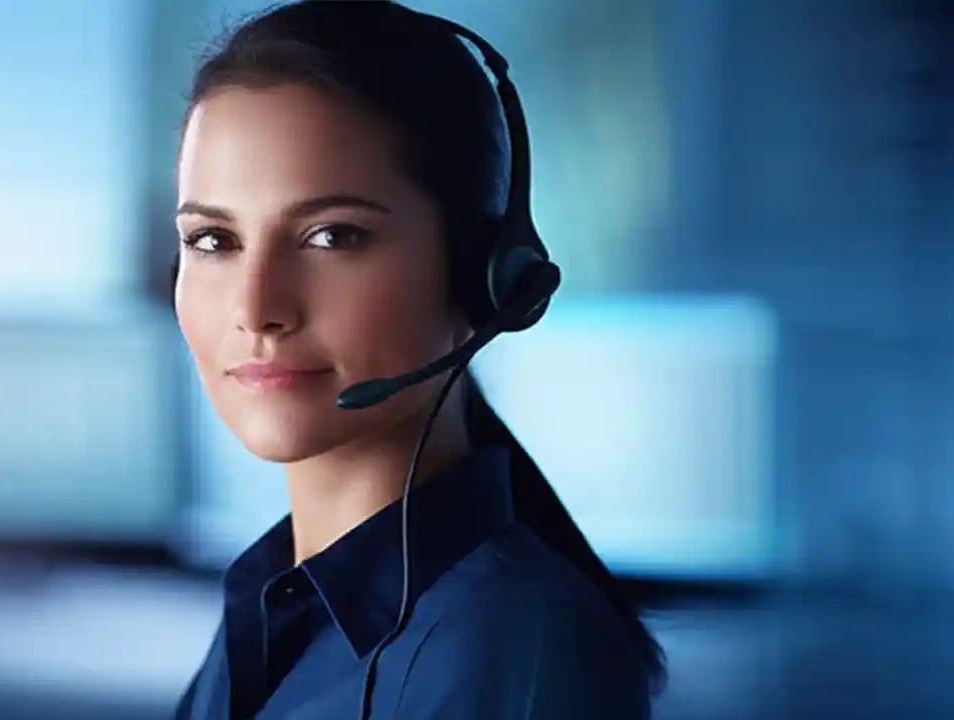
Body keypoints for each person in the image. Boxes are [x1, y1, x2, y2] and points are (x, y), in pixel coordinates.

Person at [169, 2, 666, 717]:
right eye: (213, 241)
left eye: (332, 236)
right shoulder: (275, 605)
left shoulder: (515, 651)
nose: (256, 308)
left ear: (483, 277)